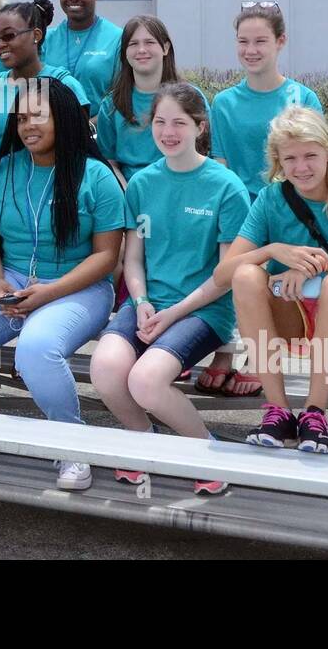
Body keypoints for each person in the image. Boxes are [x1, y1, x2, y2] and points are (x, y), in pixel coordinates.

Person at [0, 77, 123, 491]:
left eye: (39, 116)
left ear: (65, 119)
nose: (27, 125)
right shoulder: (8, 169)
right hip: (10, 280)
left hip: (78, 287)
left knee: (35, 348)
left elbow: (106, 256)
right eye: (21, 117)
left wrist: (47, 293)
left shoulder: (97, 176)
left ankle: (71, 445)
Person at [212, 106, 328, 455]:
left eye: (311, 156)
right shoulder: (272, 199)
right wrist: (274, 250)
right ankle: (278, 411)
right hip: (291, 314)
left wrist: (325, 264)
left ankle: (315, 414)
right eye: (291, 159)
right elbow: (222, 275)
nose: (301, 167)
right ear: (278, 162)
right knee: (244, 274)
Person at [88, 84, 249, 494]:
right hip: (149, 302)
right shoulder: (142, 184)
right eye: (160, 122)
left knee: (145, 381)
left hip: (203, 310)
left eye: (179, 122)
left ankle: (205, 453)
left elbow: (225, 275)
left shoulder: (226, 187)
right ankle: (144, 442)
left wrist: (173, 314)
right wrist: (140, 301)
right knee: (105, 369)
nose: (168, 131)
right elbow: (134, 259)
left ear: (200, 127)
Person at [198, 2, 324, 397]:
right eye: (243, 42)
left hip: (288, 209)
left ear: (280, 42)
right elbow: (219, 166)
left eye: (260, 41)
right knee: (221, 259)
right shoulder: (223, 104)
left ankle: (257, 359)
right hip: (240, 210)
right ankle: (223, 351)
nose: (251, 50)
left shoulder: (303, 97)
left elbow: (315, 163)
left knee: (264, 269)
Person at [0, 0, 90, 179]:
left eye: (9, 36)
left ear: (36, 35)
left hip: (51, 195)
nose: (0, 44)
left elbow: (80, 153)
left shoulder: (64, 85)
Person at [96, 15, 209, 186]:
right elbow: (109, 163)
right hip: (130, 193)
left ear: (165, 48)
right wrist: (129, 194)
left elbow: (207, 153)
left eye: (149, 42)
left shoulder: (192, 97)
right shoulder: (111, 105)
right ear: (125, 52)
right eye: (133, 44)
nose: (141, 50)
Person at [40, 0, 122, 116]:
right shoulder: (46, 39)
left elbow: (122, 98)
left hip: (100, 136)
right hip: (53, 137)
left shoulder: (117, 38)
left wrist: (88, 128)